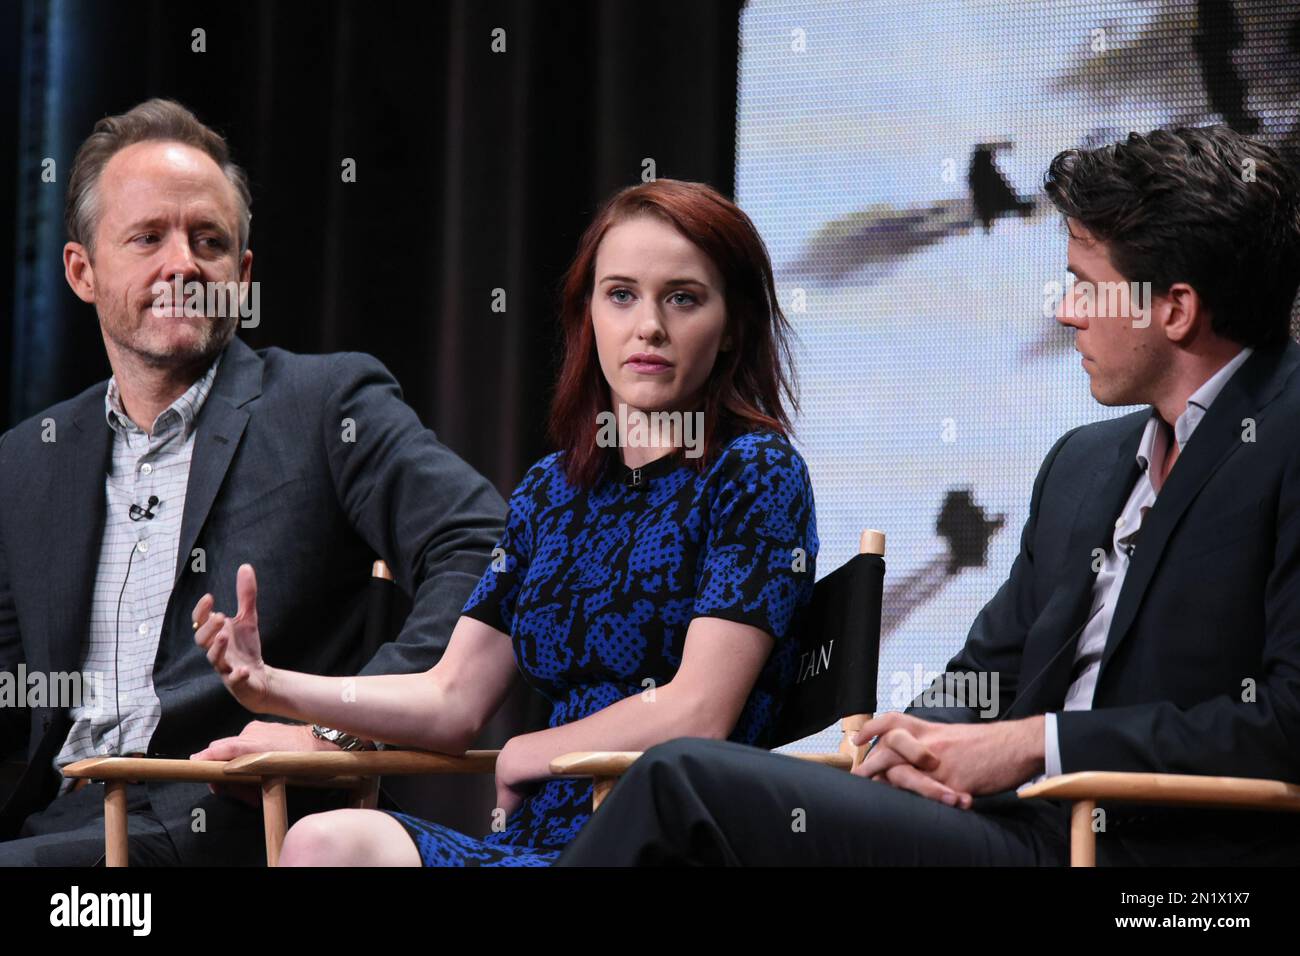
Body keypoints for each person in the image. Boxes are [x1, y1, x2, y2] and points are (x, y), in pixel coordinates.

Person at [555, 125, 1300, 866]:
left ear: (1173, 309)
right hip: (1011, 832)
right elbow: (992, 672)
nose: (1067, 311)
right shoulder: (1086, 463)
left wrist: (1035, 746)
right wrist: (913, 740)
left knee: (682, 781)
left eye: (1084, 285)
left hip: (1167, 873)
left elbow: (1285, 722)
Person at [192, 178, 820, 865]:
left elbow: (699, 710)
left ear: (731, 327)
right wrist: (271, 683)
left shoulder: (756, 472)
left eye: (683, 298)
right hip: (543, 844)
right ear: (589, 316)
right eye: (621, 295)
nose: (649, 326)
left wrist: (537, 750)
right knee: (324, 841)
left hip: (669, 841)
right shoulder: (551, 492)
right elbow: (451, 696)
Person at [0, 99, 506, 865]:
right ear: (82, 271)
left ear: (240, 276)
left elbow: (490, 546)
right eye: (147, 238)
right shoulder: (27, 460)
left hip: (229, 816)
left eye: (209, 242)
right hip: (58, 820)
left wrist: (337, 726)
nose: (183, 264)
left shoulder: (325, 405)